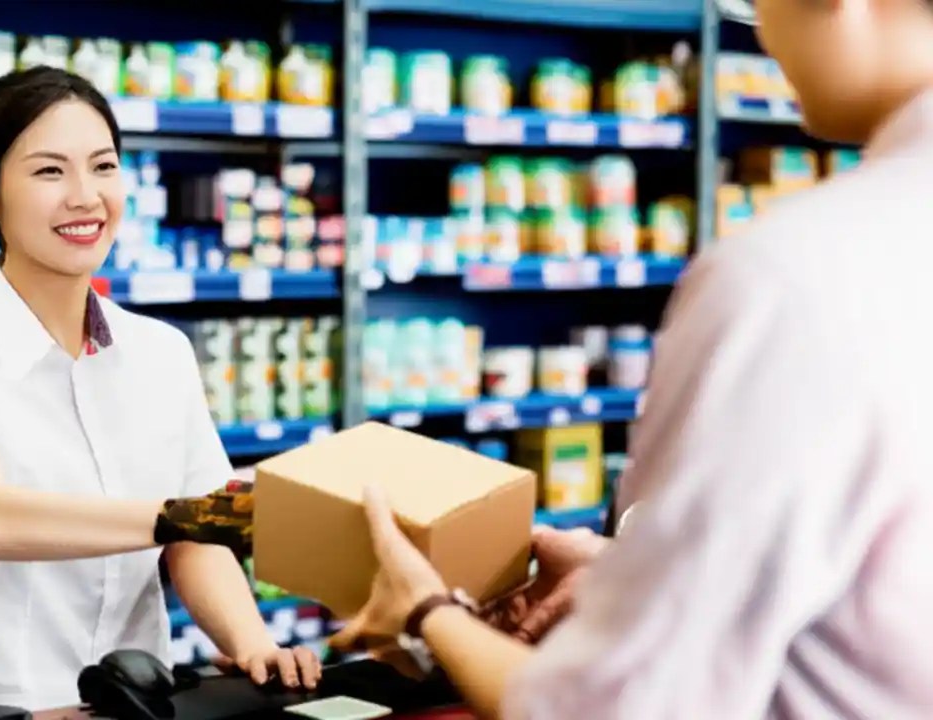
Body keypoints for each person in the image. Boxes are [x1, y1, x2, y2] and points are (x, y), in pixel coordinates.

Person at [332, 0, 933, 717]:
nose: (763, 34)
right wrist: (638, 575)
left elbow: (615, 711)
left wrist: (428, 611)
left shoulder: (794, 272)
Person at [0, 66, 319, 711]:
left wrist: (254, 644)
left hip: (136, 705)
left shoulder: (161, 352)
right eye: (48, 171)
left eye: (104, 166)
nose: (85, 196)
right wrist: (179, 515)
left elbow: (195, 542)